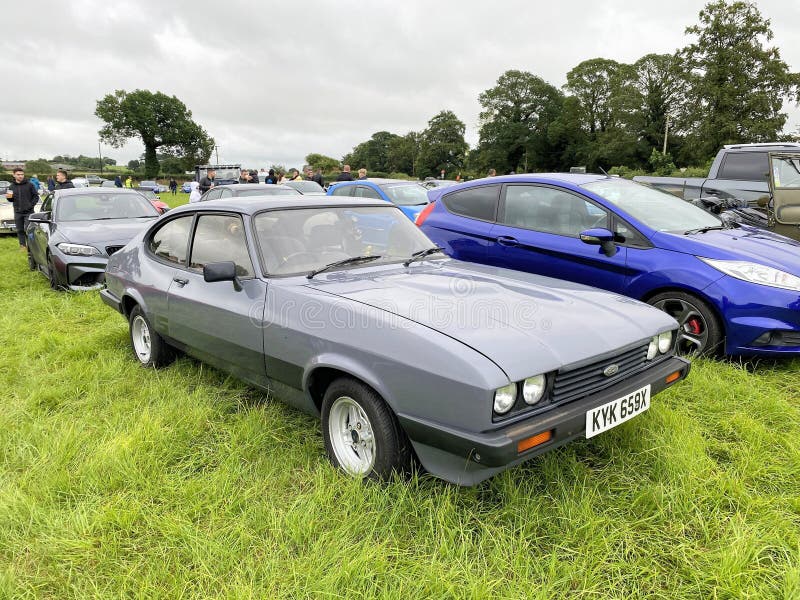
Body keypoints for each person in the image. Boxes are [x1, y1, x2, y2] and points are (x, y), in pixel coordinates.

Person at [6, 168, 39, 250]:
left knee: (29, 229)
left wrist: (30, 205)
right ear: (14, 175)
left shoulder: (30, 185)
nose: (20, 176)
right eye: (18, 174)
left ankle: (31, 246)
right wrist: (9, 198)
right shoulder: (11, 186)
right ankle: (23, 246)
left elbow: (36, 197)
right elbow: (10, 199)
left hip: (29, 212)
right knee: (20, 230)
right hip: (17, 212)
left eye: (22, 174)